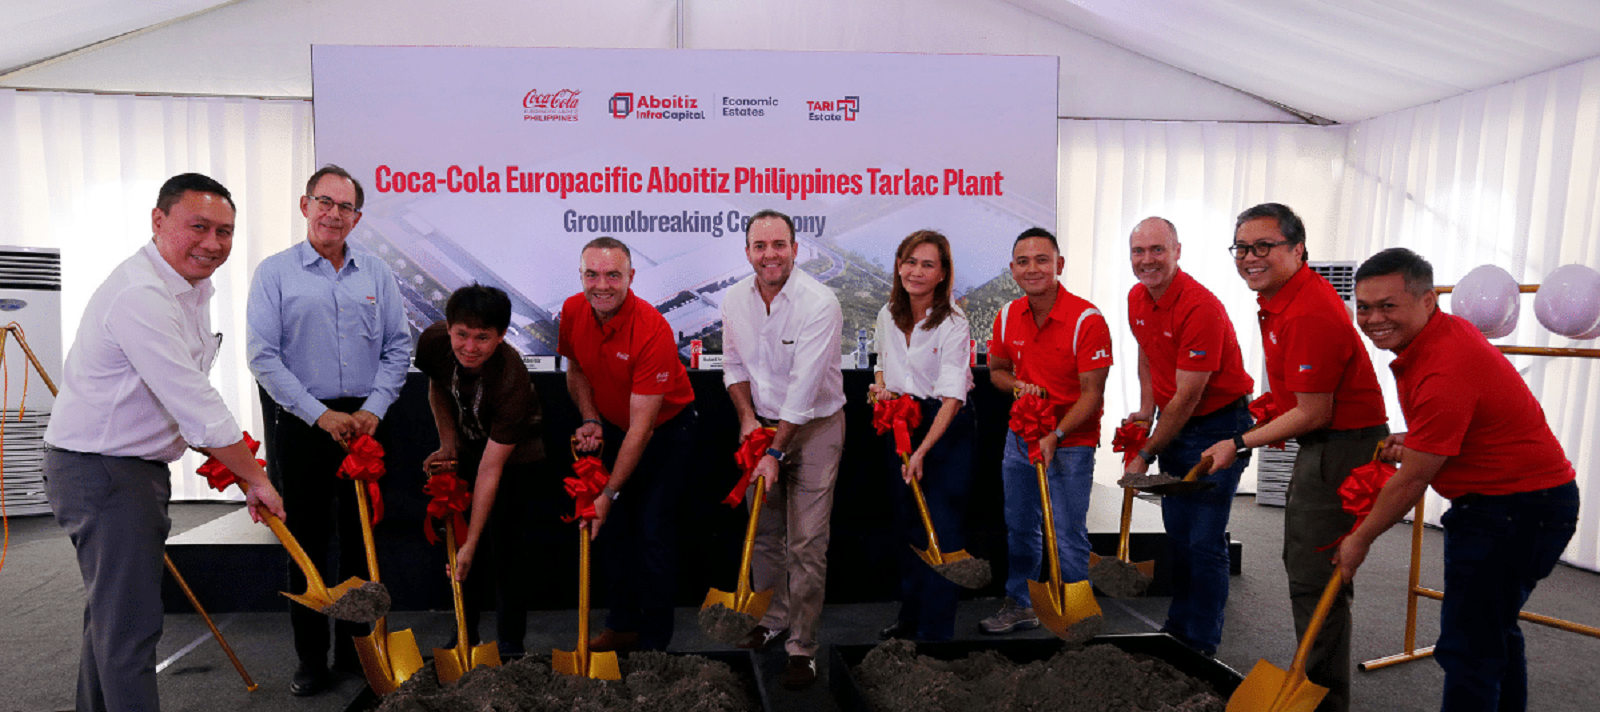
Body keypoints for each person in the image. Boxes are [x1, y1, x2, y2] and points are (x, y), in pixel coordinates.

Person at [45, 173, 287, 712]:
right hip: (104, 472)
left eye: (225, 232)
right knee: (130, 629)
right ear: (159, 221)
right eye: (198, 227)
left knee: (112, 620)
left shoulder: (190, 288)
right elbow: (196, 405)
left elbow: (185, 401)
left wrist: (242, 470)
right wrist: (256, 478)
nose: (213, 243)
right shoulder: (141, 295)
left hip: (124, 469)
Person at [1336, 248, 1578, 712]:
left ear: (1428, 301)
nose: (1372, 319)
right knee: (1495, 630)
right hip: (1529, 502)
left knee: (1469, 646)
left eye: (1388, 305)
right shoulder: (1440, 338)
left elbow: (1411, 482)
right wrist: (1420, 438)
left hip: (1513, 511)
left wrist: (1360, 538)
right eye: (1363, 307)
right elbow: (1467, 424)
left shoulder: (1445, 363)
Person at [1200, 203, 1387, 712]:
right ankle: (1319, 686)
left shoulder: (1306, 309)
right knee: (1309, 569)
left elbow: (1314, 412)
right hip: (1326, 442)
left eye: (1264, 246)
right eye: (1241, 247)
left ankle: (1323, 700)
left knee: (1314, 576)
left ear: (1298, 249)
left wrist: (1238, 442)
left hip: (1339, 447)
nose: (1249, 257)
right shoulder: (1282, 297)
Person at [245, 165, 411, 696]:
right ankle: (311, 659)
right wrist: (320, 414)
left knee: (363, 546)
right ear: (305, 205)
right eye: (324, 202)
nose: (333, 214)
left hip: (363, 423)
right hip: (302, 422)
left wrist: (375, 409)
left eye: (345, 207)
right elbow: (262, 357)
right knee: (308, 543)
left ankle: (359, 653)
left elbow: (397, 348)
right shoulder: (274, 272)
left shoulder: (377, 275)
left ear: (357, 217)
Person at [720, 209, 846, 690]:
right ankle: (772, 620)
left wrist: (773, 452)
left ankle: (803, 646)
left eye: (779, 245)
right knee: (765, 533)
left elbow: (803, 390)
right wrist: (749, 421)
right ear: (747, 251)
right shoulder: (734, 299)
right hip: (761, 427)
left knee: (807, 542)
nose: (769, 254)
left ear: (795, 248)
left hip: (814, 429)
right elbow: (733, 365)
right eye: (760, 246)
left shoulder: (819, 302)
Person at [1122, 217, 1255, 657]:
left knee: (1204, 539)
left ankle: (1200, 643)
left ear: (1178, 251)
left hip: (1217, 425)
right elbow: (1146, 352)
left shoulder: (1200, 307)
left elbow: (1189, 396)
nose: (1147, 261)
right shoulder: (1137, 298)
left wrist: (1145, 451)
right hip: (1174, 424)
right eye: (1139, 252)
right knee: (1178, 535)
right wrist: (1145, 410)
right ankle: (1177, 629)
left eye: (1157, 250)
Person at [558, 237, 698, 652]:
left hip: (667, 431)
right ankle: (621, 626)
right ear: (581, 275)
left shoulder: (652, 329)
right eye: (592, 274)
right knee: (613, 531)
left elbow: (643, 429)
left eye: (613, 275)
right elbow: (576, 368)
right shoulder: (571, 310)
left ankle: (655, 643)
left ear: (631, 278)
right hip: (615, 425)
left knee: (652, 530)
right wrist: (590, 417)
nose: (602, 285)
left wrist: (608, 492)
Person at [981, 227, 1112, 635]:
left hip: (1070, 443)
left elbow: (1092, 394)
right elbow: (998, 372)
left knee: (1067, 534)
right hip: (1019, 440)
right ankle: (1022, 603)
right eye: (1023, 261)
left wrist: (1055, 434)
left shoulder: (1087, 320)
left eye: (1042, 259)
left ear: (1059, 265)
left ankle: (1077, 617)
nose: (1033, 268)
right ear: (1012, 269)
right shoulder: (1006, 316)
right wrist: (1018, 385)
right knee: (1021, 528)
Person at [415, 284, 544, 656]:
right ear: (449, 327)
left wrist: (473, 543)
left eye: (483, 338)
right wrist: (448, 442)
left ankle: (509, 644)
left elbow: (491, 470)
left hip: (515, 459)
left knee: (504, 550)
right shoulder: (434, 341)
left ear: (501, 336)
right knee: (457, 546)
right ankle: (464, 636)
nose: (469, 347)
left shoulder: (511, 379)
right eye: (462, 335)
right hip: (469, 450)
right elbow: (437, 387)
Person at [868, 231, 976, 643]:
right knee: (909, 527)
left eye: (928, 264)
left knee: (942, 531)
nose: (916, 271)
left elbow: (952, 398)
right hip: (900, 423)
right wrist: (881, 386)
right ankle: (910, 617)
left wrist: (923, 451)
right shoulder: (886, 314)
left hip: (945, 430)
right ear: (898, 265)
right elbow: (882, 360)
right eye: (910, 261)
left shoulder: (953, 322)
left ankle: (935, 635)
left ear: (942, 273)